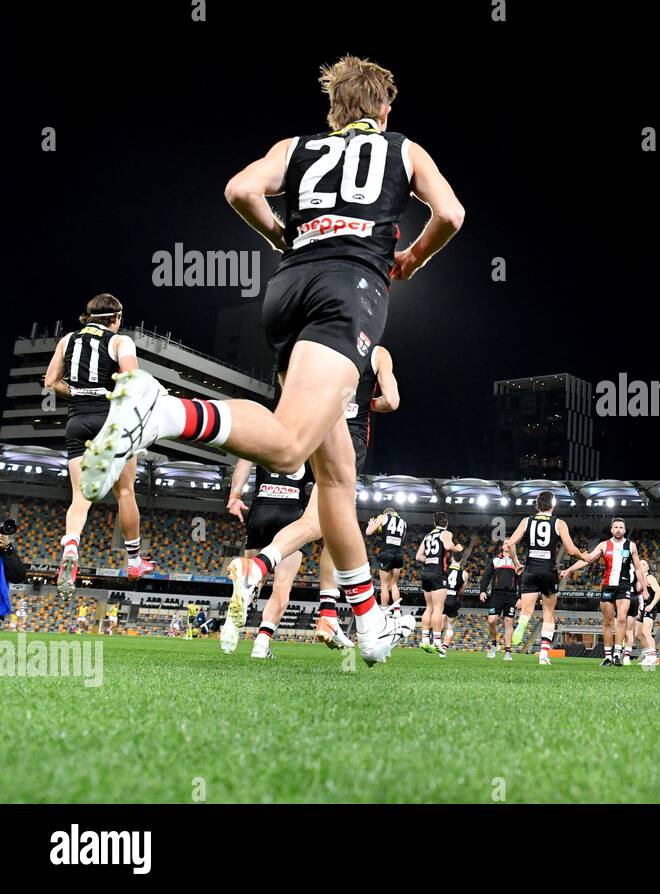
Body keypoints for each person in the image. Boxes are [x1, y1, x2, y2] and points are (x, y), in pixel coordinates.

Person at [77, 55, 464, 665]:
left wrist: (284, 236)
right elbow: (450, 214)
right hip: (350, 290)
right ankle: (161, 412)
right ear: (385, 110)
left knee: (336, 474)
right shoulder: (404, 149)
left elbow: (239, 189)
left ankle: (367, 621)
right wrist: (411, 258)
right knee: (288, 447)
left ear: (332, 110)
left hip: (286, 291)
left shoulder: (297, 145)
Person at [227, 344, 398, 652]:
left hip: (314, 432)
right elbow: (392, 401)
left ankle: (327, 614)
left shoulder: (324, 341)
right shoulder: (378, 352)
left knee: (338, 522)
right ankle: (259, 568)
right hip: (349, 440)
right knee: (319, 522)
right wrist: (365, 403)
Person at [43, 293, 157, 597]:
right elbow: (132, 379)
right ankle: (134, 561)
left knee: (80, 496)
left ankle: (70, 547)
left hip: (77, 421)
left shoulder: (67, 340)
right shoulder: (121, 342)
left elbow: (50, 382)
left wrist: (81, 393)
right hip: (112, 422)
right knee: (125, 491)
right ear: (116, 319)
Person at [221, 456, 313, 659]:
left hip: (261, 510)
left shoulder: (269, 432)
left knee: (253, 576)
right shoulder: (309, 439)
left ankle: (234, 618)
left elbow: (245, 459)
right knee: (282, 585)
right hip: (292, 513)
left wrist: (235, 494)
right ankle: (261, 643)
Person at [505, 491, 584, 665]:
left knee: (526, 610)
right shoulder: (559, 523)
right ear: (553, 505)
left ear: (536, 505)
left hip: (531, 569)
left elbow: (510, 543)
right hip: (549, 570)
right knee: (549, 613)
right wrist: (583, 557)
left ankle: (522, 623)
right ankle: (543, 656)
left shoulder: (527, 521)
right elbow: (571, 550)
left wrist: (517, 563)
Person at [562, 518, 648, 666]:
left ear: (625, 530)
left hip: (624, 586)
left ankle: (617, 653)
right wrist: (569, 569)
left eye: (621, 527)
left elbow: (639, 569)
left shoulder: (631, 546)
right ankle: (608, 656)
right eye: (616, 527)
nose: (619, 529)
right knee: (608, 621)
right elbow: (587, 559)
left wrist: (645, 588)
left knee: (621, 619)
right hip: (608, 586)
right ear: (611, 530)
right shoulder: (604, 545)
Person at [415, 512, 461, 656]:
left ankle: (424, 640)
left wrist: (430, 559)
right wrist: (457, 548)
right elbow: (448, 546)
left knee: (428, 607)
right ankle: (436, 642)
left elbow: (418, 556)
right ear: (446, 523)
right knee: (438, 608)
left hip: (426, 571)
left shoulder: (428, 536)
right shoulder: (446, 533)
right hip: (438, 573)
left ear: (434, 523)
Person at [481, 543, 522, 661]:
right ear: (503, 547)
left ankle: (508, 652)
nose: (508, 545)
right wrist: (482, 590)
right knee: (491, 620)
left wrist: (520, 597)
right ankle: (494, 644)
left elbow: (521, 581)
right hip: (496, 594)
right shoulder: (495, 560)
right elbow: (486, 576)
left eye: (510, 544)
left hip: (511, 595)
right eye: (506, 543)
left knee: (509, 622)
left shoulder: (516, 562)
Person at [366, 507, 408, 611]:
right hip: (398, 554)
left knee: (384, 585)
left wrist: (371, 525)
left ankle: (384, 610)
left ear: (386, 513)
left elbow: (368, 532)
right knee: (394, 584)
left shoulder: (383, 517)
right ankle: (397, 611)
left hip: (386, 553)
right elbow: (402, 539)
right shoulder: (403, 522)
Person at [634, 558, 660, 667]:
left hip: (649, 608)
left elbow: (659, 592)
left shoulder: (649, 577)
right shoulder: (636, 580)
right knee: (638, 635)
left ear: (647, 567)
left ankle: (653, 657)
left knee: (646, 632)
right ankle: (648, 656)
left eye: (644, 564)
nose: (641, 565)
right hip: (640, 609)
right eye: (639, 563)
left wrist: (651, 605)